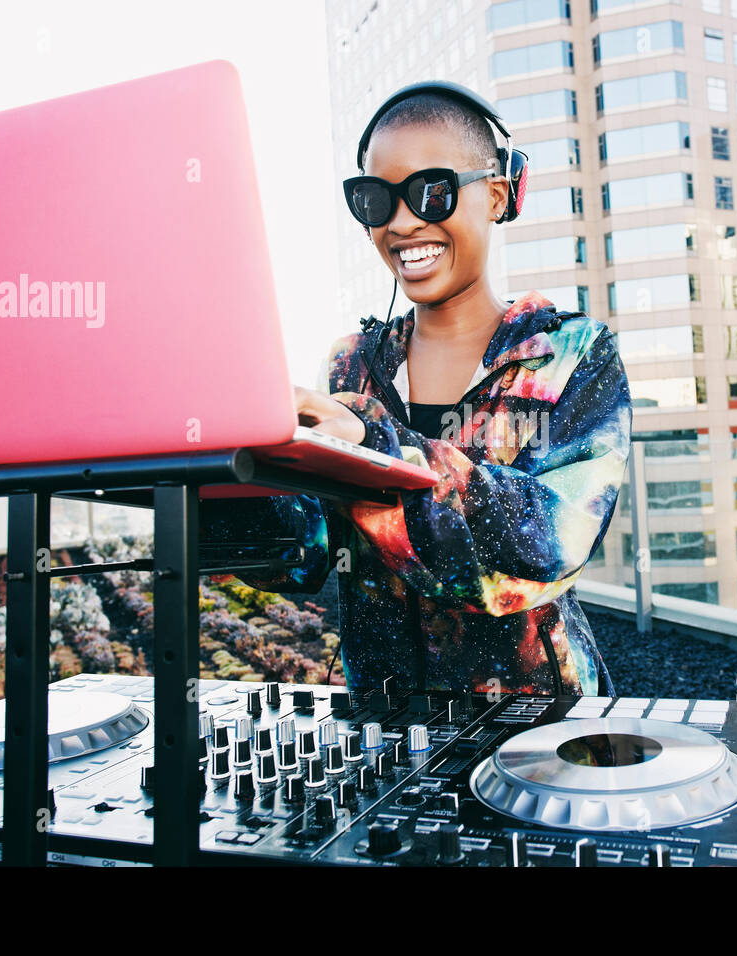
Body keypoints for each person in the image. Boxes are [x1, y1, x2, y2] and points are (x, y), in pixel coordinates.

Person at [199, 84, 632, 697]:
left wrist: (375, 448)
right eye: (376, 199)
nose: (402, 223)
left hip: (539, 735)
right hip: (384, 730)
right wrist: (219, 470)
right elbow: (305, 554)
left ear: (500, 195)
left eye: (432, 191)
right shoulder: (351, 368)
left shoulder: (570, 354)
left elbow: (549, 545)